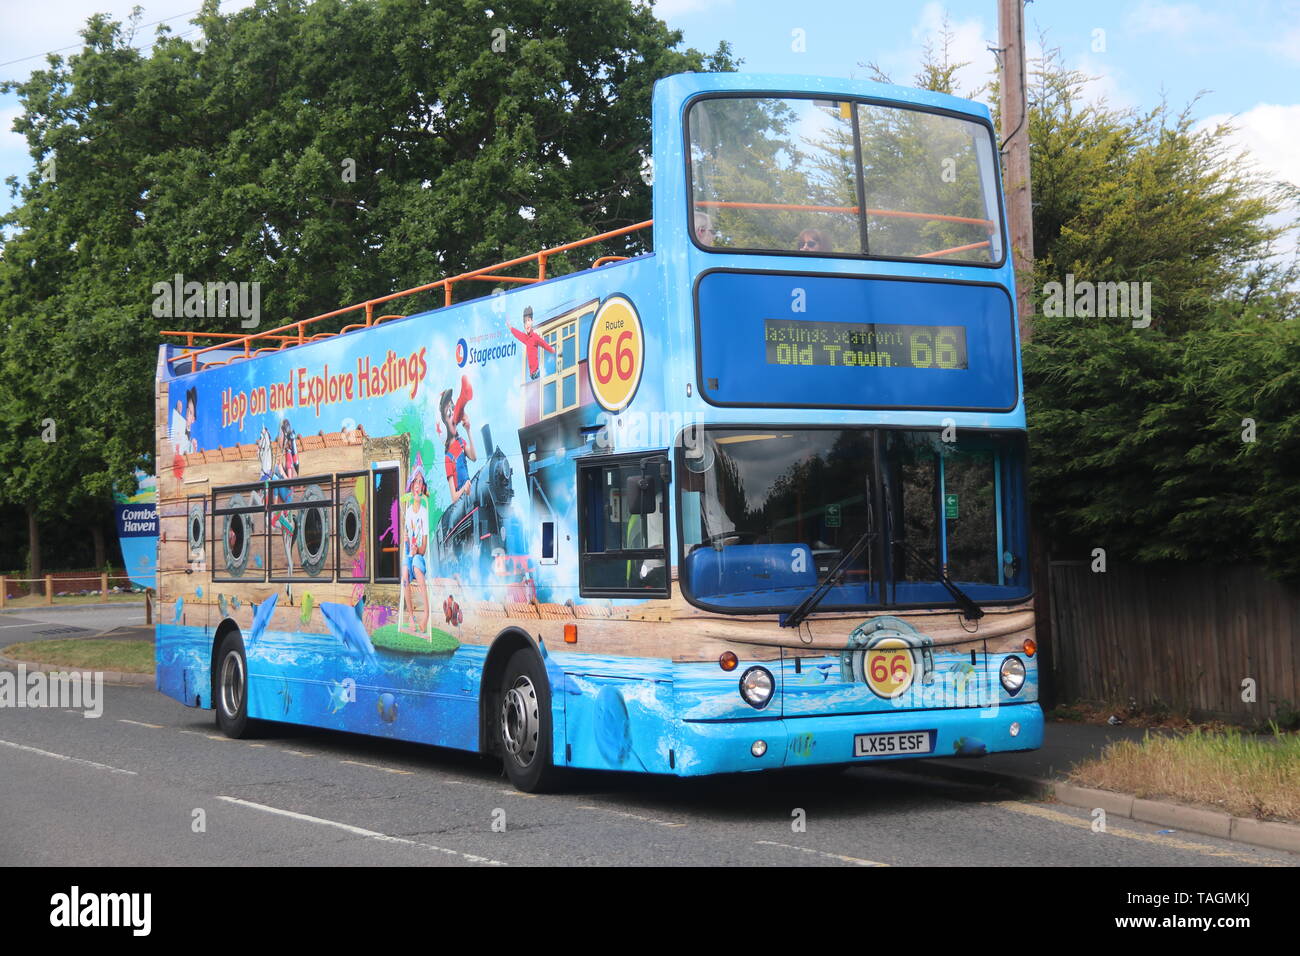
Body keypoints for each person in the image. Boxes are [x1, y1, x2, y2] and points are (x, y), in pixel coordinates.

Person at [402, 459, 431, 634]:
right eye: (415, 481)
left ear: (423, 488)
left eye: (420, 482)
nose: (417, 485)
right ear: (412, 486)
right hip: (409, 553)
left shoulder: (424, 513)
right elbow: (407, 539)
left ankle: (426, 615)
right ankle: (411, 617)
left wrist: (415, 550)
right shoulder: (408, 512)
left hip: (418, 555)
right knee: (405, 573)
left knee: (415, 566)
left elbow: (424, 548)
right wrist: (407, 541)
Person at [442, 387, 478, 503]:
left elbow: (474, 457)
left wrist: (468, 430)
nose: (453, 414)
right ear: (443, 424)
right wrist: (464, 488)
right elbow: (454, 497)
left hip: (470, 494)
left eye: (453, 409)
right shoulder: (448, 458)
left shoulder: (461, 442)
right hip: (462, 502)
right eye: (449, 413)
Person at [507, 306, 555, 380]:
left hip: (536, 373)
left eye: (528, 320)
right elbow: (518, 334)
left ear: (532, 321)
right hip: (532, 375)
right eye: (525, 322)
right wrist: (511, 328)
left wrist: (551, 349)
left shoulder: (535, 337)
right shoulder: (526, 338)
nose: (527, 324)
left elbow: (543, 344)